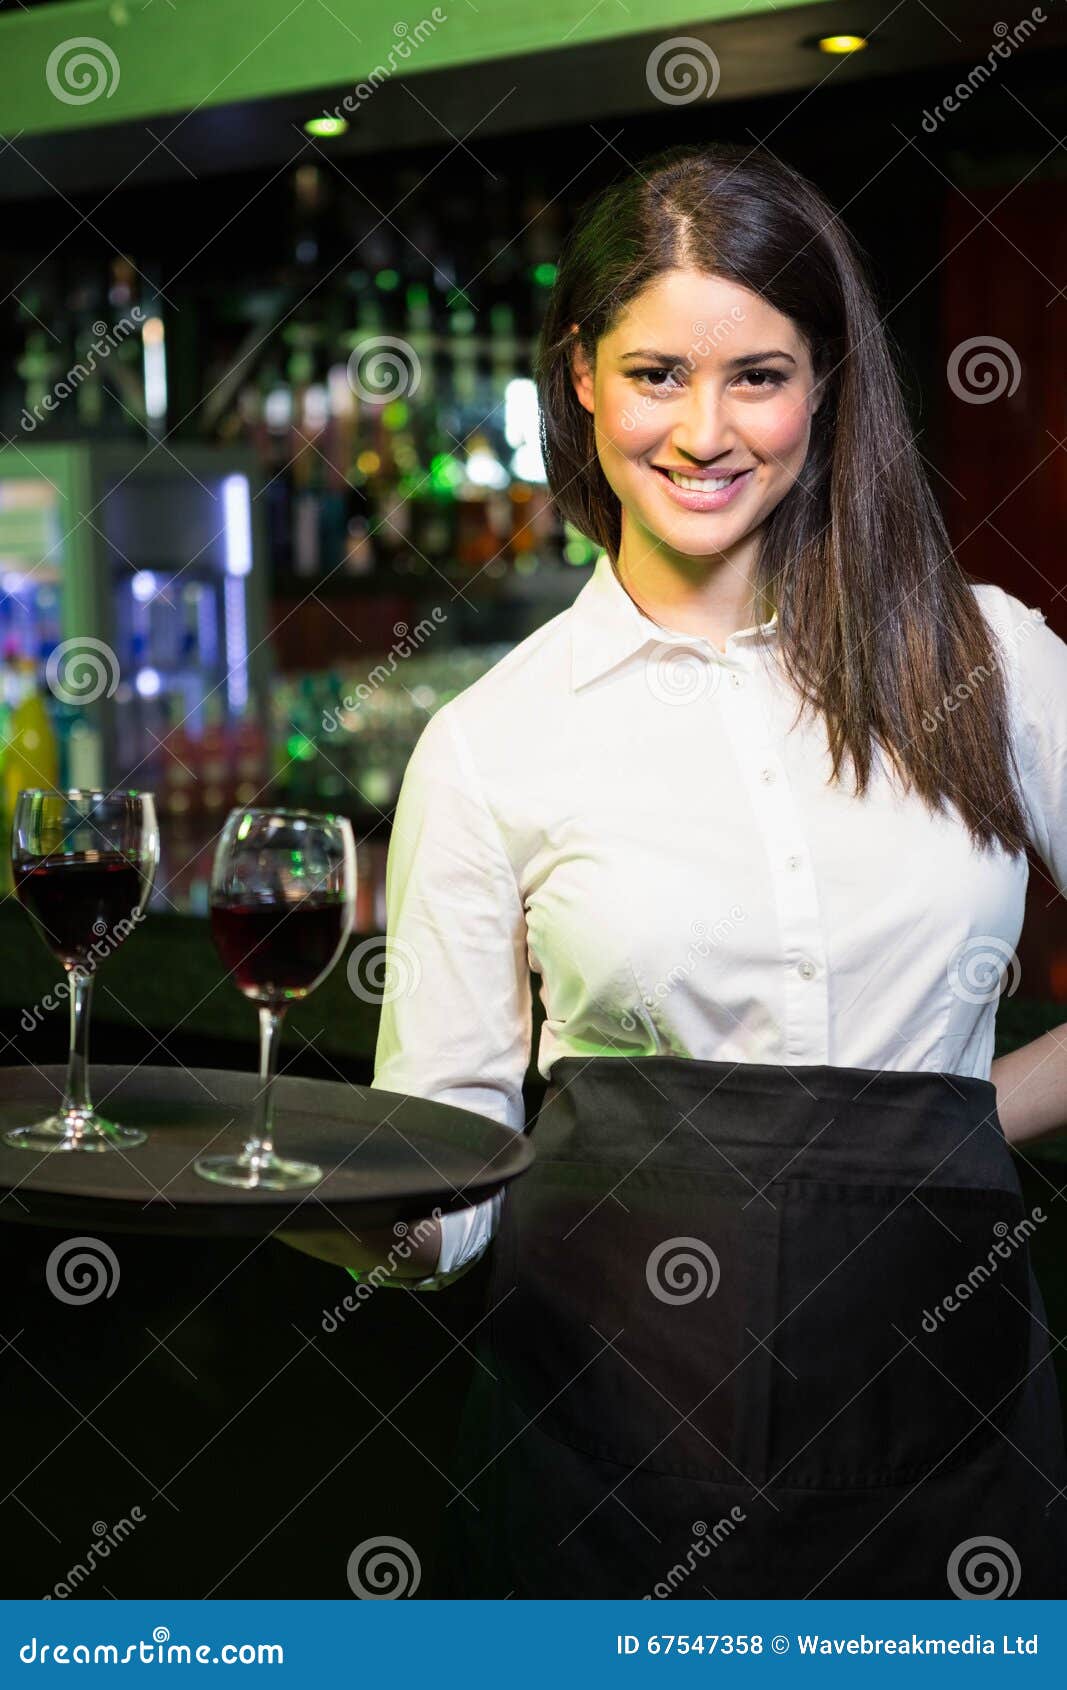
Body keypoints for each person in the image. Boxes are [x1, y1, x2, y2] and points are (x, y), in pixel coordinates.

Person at [286, 142, 1067, 1598]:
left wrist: (950, 1124)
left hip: (946, 1444)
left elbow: (930, 1113)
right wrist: (336, 1210)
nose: (706, 431)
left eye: (757, 375)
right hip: (605, 1460)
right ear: (580, 375)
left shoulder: (990, 661)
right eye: (656, 373)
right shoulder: (488, 741)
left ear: (825, 381)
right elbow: (447, 1173)